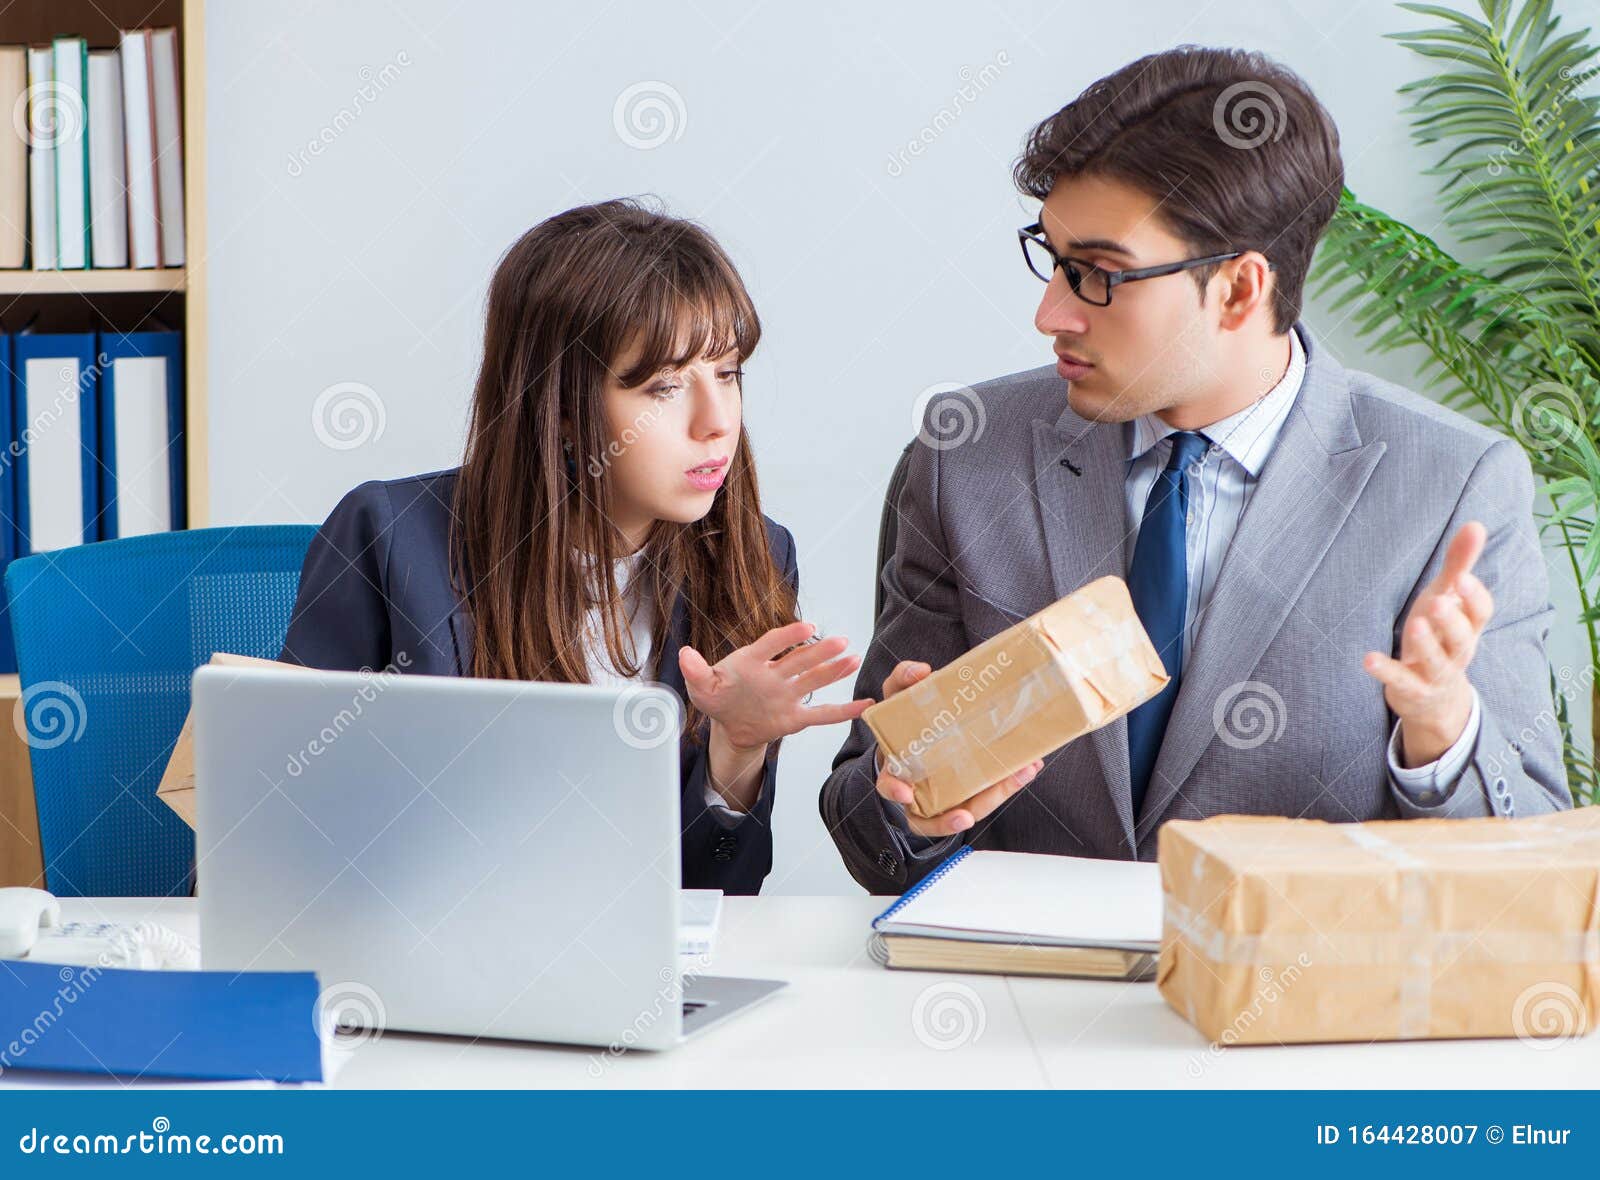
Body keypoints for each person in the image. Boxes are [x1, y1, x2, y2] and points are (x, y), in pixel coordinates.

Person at [822, 46, 1571, 894]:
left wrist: (1439, 725)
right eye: (1051, 255)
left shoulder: (1451, 489)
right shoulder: (964, 459)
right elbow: (864, 834)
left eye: (1099, 274)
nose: (1050, 312)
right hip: (1015, 1010)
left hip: (1288, 1009)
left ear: (1242, 291)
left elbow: (1529, 865)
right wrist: (913, 805)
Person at [280, 198, 870, 894]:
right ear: (559, 408)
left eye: (729, 374)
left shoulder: (755, 556)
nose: (717, 423)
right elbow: (279, 830)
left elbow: (716, 899)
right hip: (409, 950)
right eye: (665, 386)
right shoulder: (387, 536)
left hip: (637, 985)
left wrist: (735, 751)